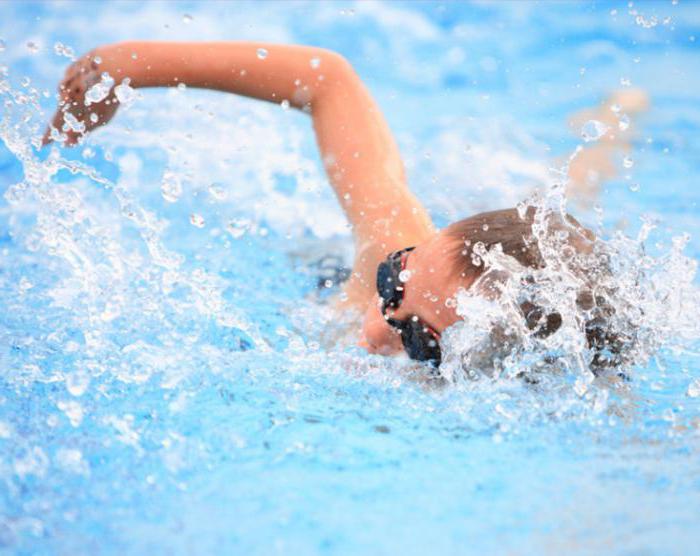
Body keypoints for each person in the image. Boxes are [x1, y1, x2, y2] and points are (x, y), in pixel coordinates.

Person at [43, 41, 629, 370]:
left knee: (573, 224)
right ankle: (609, 125)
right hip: (321, 268)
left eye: (421, 341)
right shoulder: (399, 241)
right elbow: (328, 79)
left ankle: (612, 126)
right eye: (391, 283)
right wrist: (131, 67)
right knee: (554, 202)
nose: (375, 325)